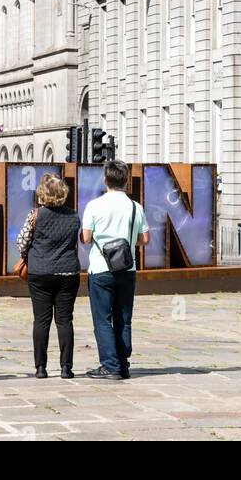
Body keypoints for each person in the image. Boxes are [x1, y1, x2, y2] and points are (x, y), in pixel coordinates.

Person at [80, 160, 150, 381]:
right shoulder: (134, 206)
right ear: (126, 181)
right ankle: (123, 363)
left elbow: (86, 237)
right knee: (123, 318)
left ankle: (110, 365)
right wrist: (127, 242)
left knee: (102, 319)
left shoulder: (94, 205)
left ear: (105, 179)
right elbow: (145, 239)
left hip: (101, 269)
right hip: (127, 268)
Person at [14, 174, 81, 379]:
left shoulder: (35, 215)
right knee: (64, 320)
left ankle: (41, 368)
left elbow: (22, 242)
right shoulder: (73, 216)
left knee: (41, 320)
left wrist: (29, 255)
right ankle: (66, 368)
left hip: (40, 272)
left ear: (42, 194)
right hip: (68, 272)